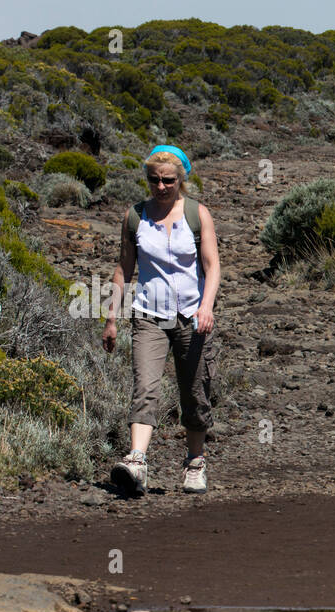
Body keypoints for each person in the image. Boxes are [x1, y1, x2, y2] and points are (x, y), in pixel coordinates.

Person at [103, 144, 220, 495]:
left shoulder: (198, 215)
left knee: (195, 392)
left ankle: (195, 462)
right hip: (149, 316)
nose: (161, 186)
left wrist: (207, 306)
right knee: (145, 387)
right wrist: (111, 317)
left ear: (180, 180)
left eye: (168, 180)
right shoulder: (135, 216)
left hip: (191, 316)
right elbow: (123, 268)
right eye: (154, 179)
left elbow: (213, 266)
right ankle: (137, 461)